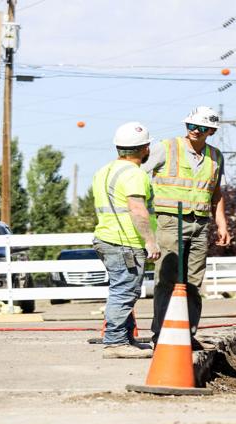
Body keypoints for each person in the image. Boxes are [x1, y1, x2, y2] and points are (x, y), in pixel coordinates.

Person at [143, 105, 230, 347]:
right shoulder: (166, 148)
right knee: (166, 279)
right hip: (170, 221)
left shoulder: (216, 156)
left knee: (193, 282)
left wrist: (222, 224)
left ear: (211, 131)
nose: (195, 131)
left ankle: (187, 334)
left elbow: (217, 193)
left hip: (201, 223)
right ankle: (161, 334)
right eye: (191, 125)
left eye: (201, 128)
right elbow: (138, 174)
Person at [91, 122, 161, 359]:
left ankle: (126, 338)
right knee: (124, 292)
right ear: (145, 148)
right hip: (125, 241)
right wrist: (150, 241)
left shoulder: (104, 171)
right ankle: (115, 342)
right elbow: (137, 209)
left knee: (124, 290)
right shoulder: (134, 174)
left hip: (106, 237)